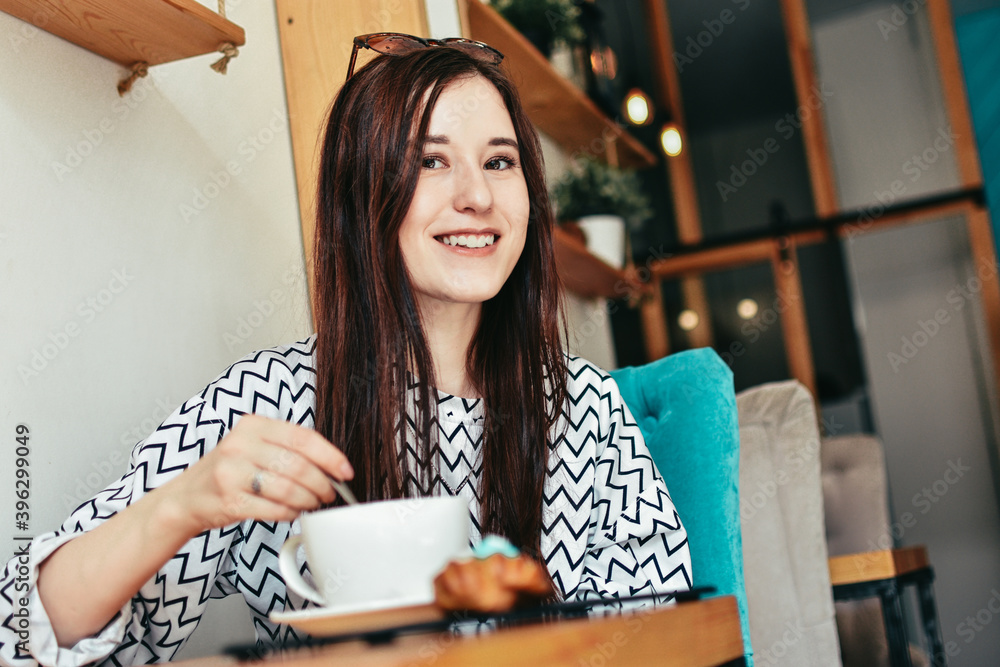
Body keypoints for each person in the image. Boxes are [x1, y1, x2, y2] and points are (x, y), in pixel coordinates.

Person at [0, 36, 691, 666]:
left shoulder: (584, 408)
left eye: (500, 161)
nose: (476, 195)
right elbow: (18, 628)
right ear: (363, 195)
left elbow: (672, 638)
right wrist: (180, 504)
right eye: (430, 160)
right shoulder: (268, 402)